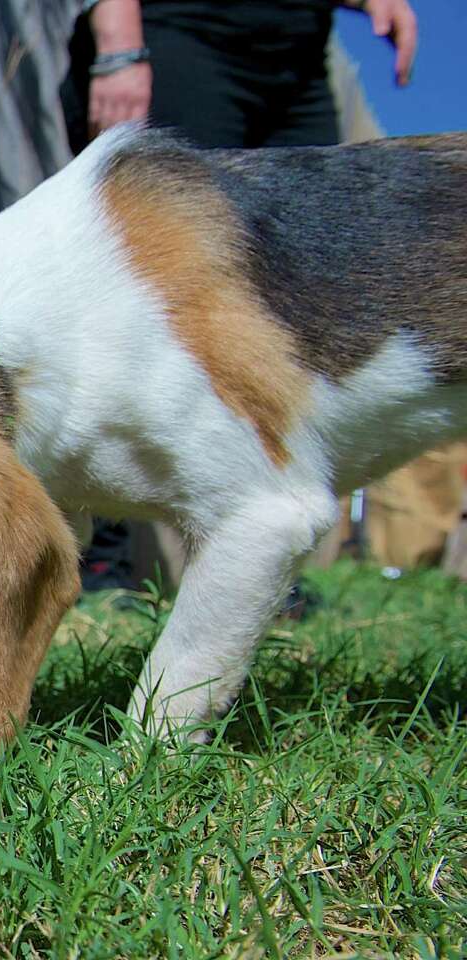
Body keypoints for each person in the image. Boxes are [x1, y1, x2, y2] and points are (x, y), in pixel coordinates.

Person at [61, 0, 418, 592]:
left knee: (298, 304)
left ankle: (267, 565)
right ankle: (100, 563)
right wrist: (121, 43)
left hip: (294, 59)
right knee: (131, 297)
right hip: (183, 33)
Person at [62, 0, 417, 154]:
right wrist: (120, 49)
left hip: (298, 73)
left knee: (303, 255)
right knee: (180, 245)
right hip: (185, 39)